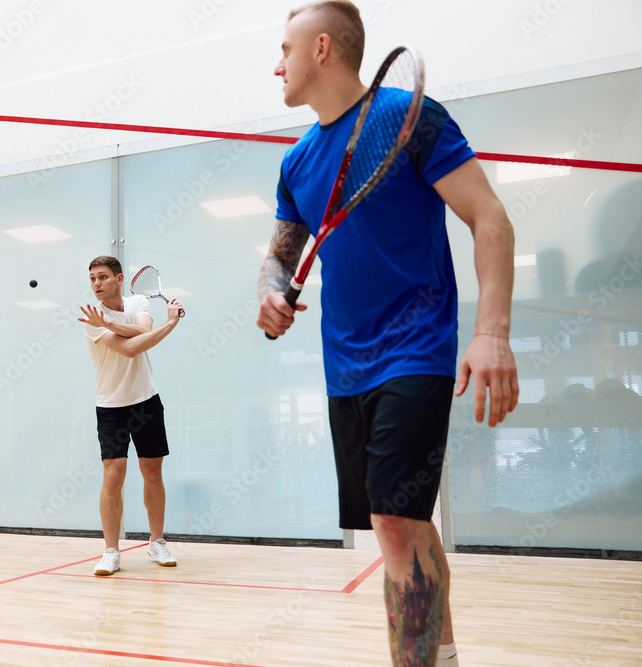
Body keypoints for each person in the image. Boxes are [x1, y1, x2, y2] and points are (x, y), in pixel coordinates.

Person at [257, 3, 519, 665]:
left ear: (322, 48)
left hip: (415, 349)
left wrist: (491, 332)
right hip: (345, 367)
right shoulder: (296, 161)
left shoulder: (409, 118)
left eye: (285, 49)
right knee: (399, 527)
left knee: (396, 522)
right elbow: (280, 256)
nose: (276, 64)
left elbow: (490, 217)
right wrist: (270, 291)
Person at [78, 255, 185, 576]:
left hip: (145, 401)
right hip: (110, 406)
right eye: (92, 278)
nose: (96, 284)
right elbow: (131, 348)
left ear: (119, 279)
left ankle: (157, 541)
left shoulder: (139, 302)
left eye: (102, 277)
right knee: (113, 475)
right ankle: (111, 551)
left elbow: (142, 333)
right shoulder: (91, 319)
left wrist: (113, 324)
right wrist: (171, 324)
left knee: (152, 473)